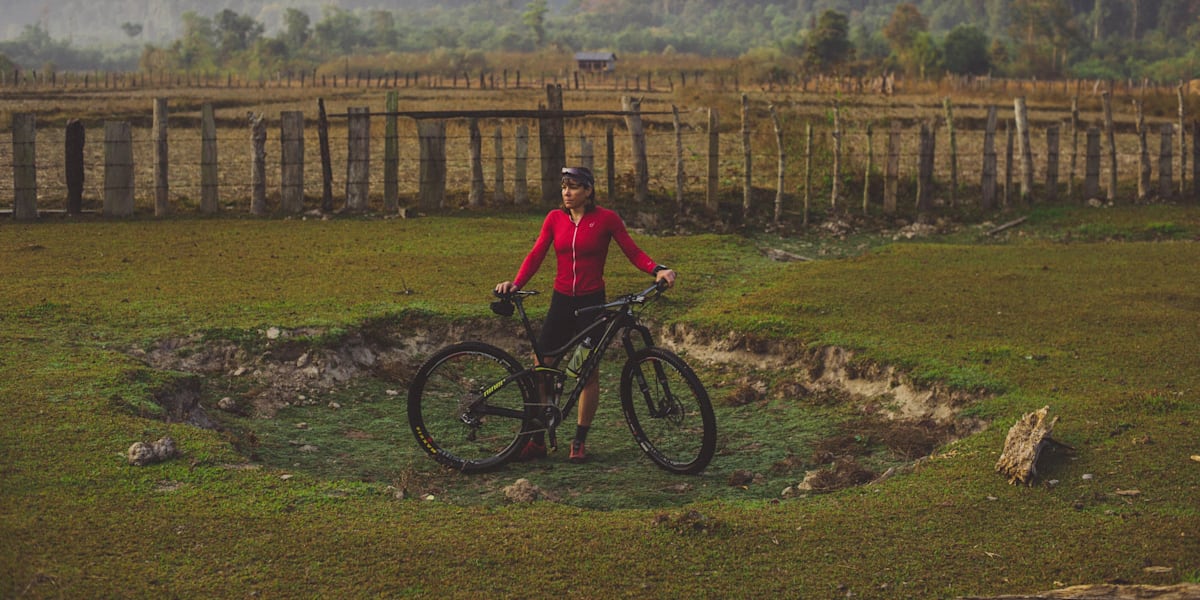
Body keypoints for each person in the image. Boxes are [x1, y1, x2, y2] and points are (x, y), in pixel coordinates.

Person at [494, 166, 676, 464]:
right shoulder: (554, 219)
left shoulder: (606, 219)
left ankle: (578, 440)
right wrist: (516, 283)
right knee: (543, 367)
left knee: (586, 371)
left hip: (592, 306)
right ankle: (538, 438)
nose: (567, 192)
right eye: (564, 186)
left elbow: (632, 251)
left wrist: (657, 269)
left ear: (588, 191)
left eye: (574, 186)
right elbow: (537, 253)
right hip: (561, 302)